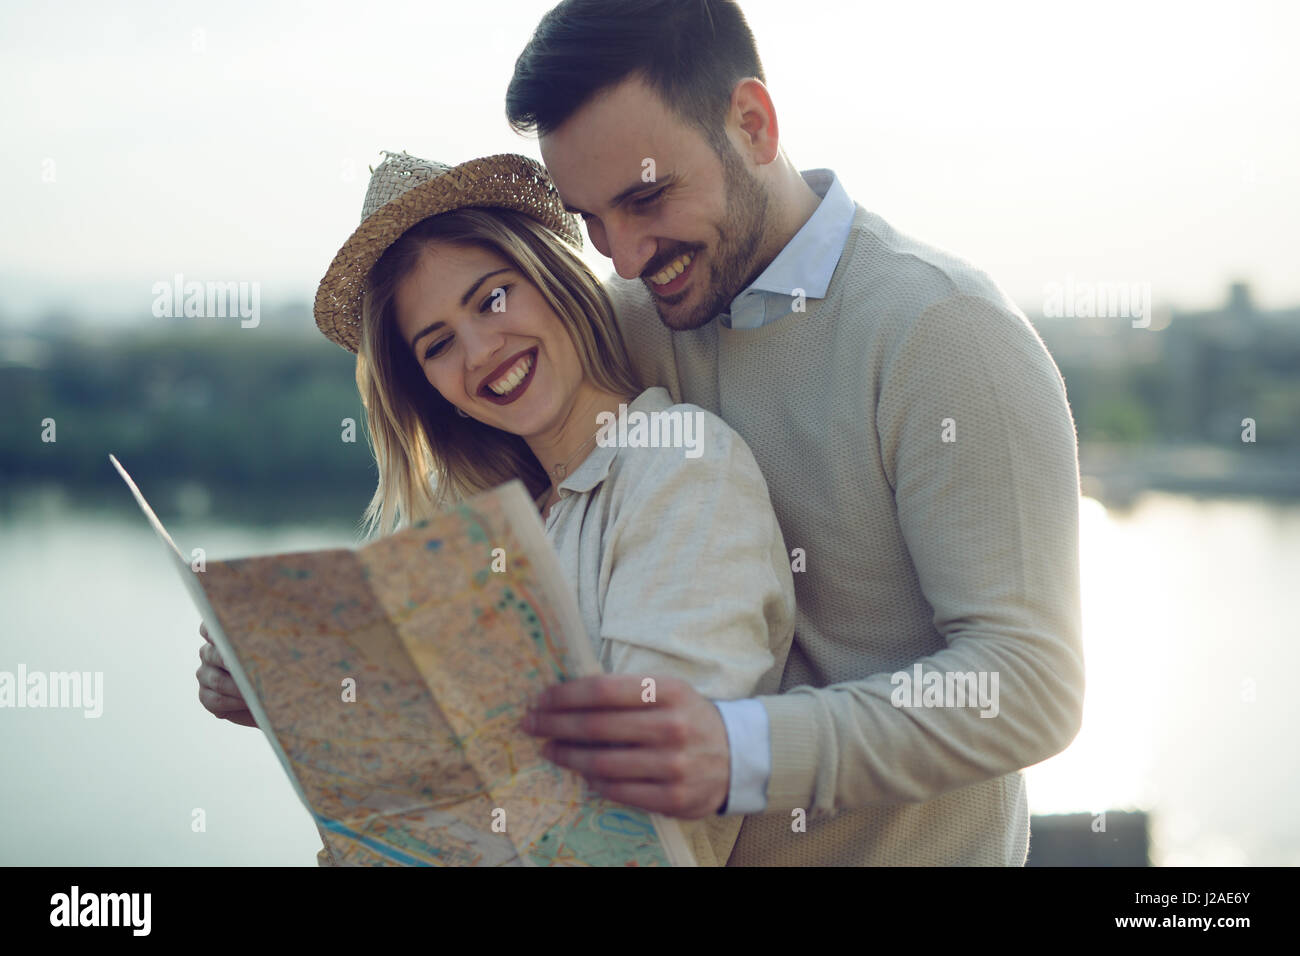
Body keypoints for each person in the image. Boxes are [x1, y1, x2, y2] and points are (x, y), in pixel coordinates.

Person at [509, 0, 1086, 866]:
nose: (622, 257)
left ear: (753, 123)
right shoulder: (625, 324)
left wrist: (740, 750)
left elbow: (1031, 685)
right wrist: (325, 674)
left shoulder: (944, 332)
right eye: (590, 218)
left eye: (646, 197)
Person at [195, 150, 795, 866]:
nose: (480, 352)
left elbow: (646, 795)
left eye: (492, 299)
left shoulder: (679, 467)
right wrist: (299, 705)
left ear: (549, 275)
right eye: (438, 344)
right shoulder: (484, 541)